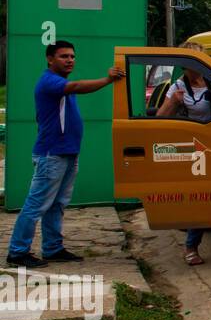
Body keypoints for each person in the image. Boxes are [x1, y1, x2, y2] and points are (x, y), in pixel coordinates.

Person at [5, 40, 125, 269]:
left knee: (57, 204)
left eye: (72, 56)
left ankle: (52, 248)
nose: (70, 60)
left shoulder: (60, 82)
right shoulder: (50, 82)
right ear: (50, 59)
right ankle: (17, 252)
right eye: (63, 56)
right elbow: (78, 87)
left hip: (67, 152)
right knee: (36, 204)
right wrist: (108, 79)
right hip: (52, 154)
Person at [157, 62, 211, 266]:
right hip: (191, 148)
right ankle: (191, 246)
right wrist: (174, 102)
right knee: (199, 198)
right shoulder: (177, 87)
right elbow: (160, 118)